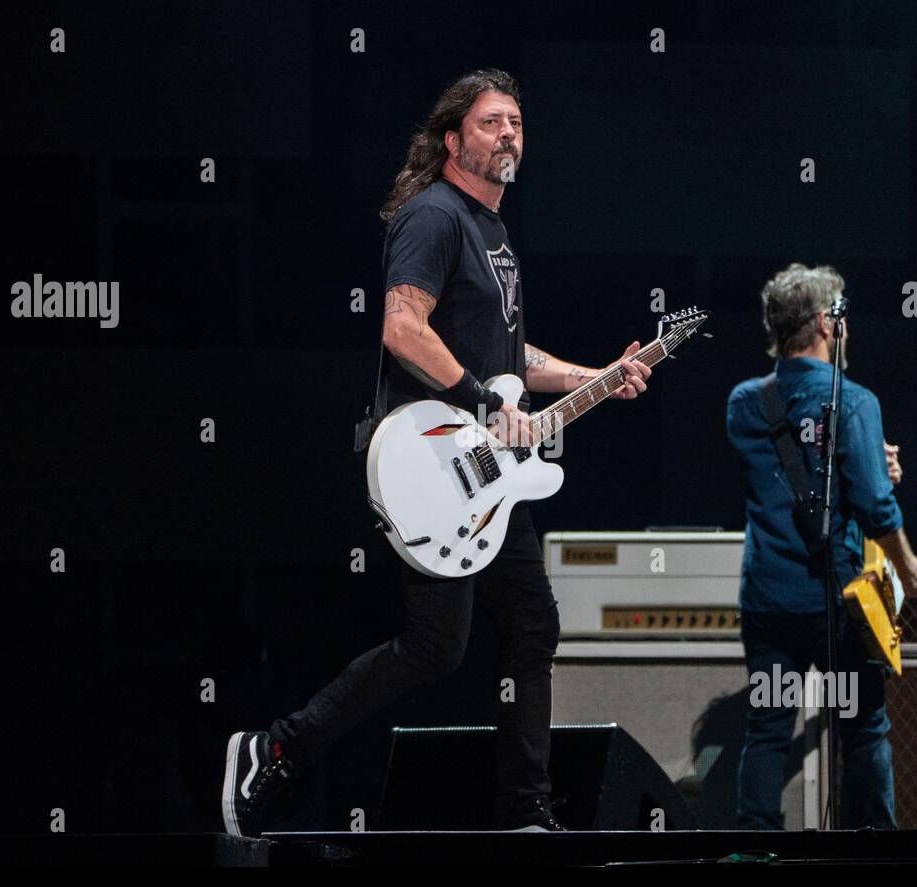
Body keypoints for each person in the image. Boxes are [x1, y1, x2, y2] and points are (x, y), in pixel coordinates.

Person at [222, 69, 652, 836]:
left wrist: (600, 376)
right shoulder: (433, 216)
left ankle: (524, 811)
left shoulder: (496, 235)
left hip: (485, 476)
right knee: (442, 645)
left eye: (517, 122)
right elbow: (401, 328)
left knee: (509, 629)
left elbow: (513, 357)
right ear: (453, 140)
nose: (509, 133)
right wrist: (485, 404)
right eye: (491, 122)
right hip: (432, 463)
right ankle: (277, 743)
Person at [726, 262, 917, 830]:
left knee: (767, 726)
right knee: (863, 729)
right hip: (839, 597)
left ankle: (756, 849)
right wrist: (907, 563)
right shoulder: (854, 400)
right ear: (824, 322)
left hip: (767, 595)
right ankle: (872, 848)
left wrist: (867, 467)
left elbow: (794, 469)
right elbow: (870, 501)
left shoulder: (744, 402)